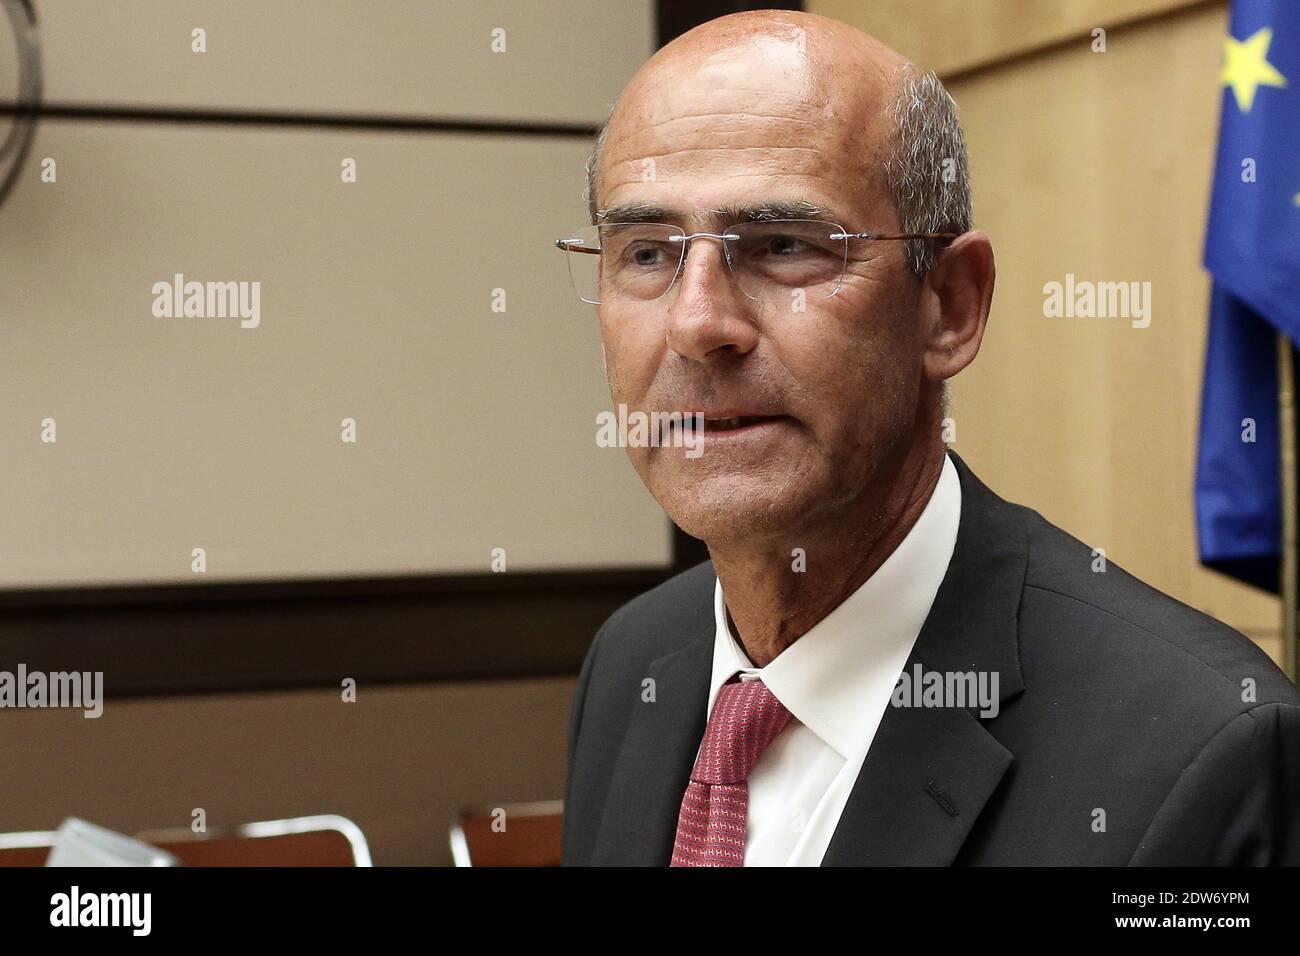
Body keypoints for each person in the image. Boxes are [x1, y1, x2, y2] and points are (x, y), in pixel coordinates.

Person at [558, 10, 1300, 866]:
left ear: (949, 305)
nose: (697, 324)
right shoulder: (632, 663)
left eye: (783, 246)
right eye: (647, 253)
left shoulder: (1200, 753)